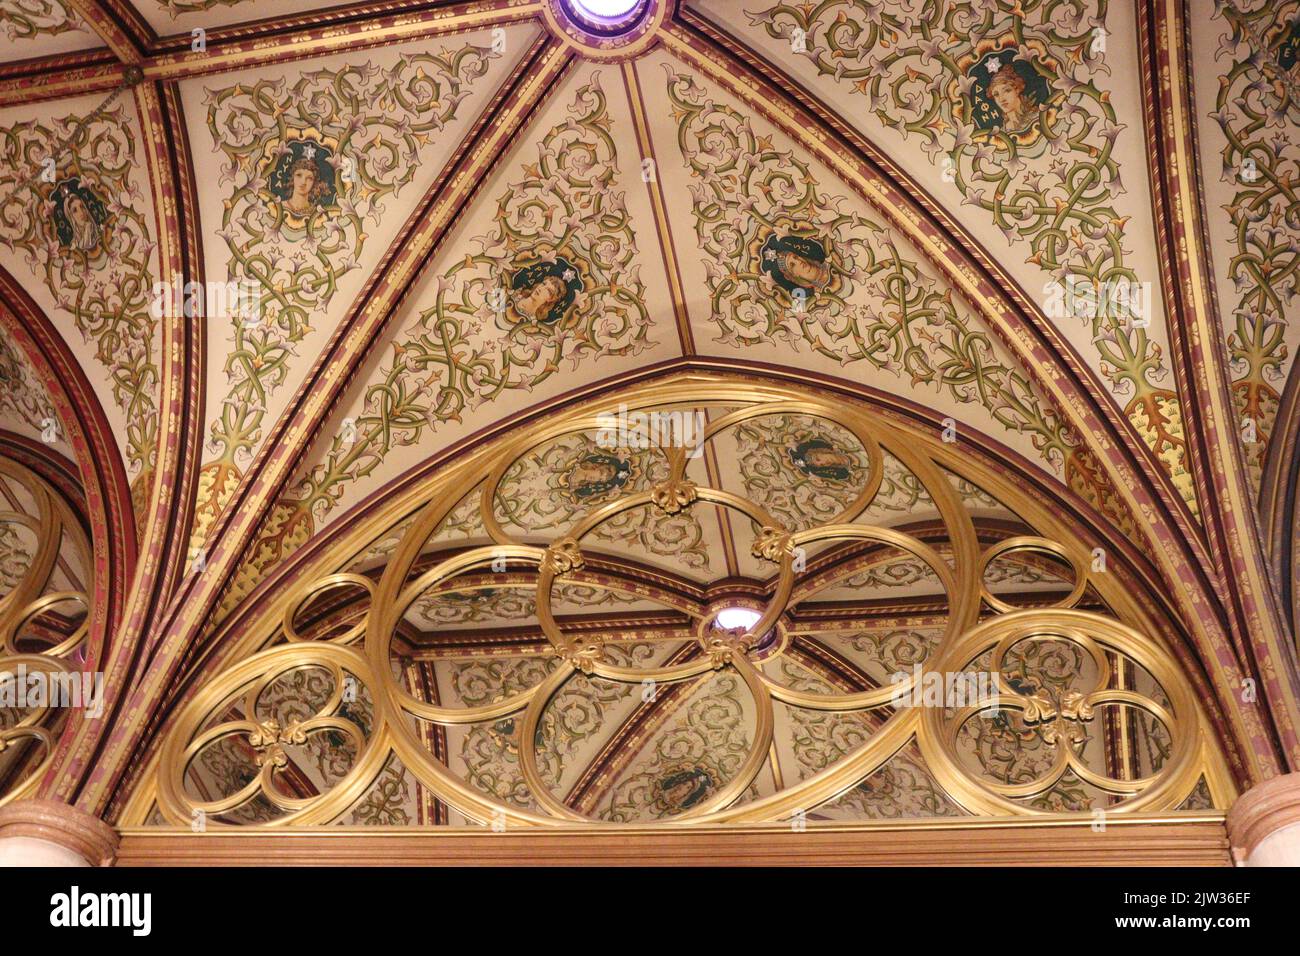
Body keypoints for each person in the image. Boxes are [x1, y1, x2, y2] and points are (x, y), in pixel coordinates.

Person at [987, 67, 1040, 132]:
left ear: (1017, 89)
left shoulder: (1037, 116)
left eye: (1007, 91)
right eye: (996, 95)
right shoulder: (1003, 132)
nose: (1001, 99)